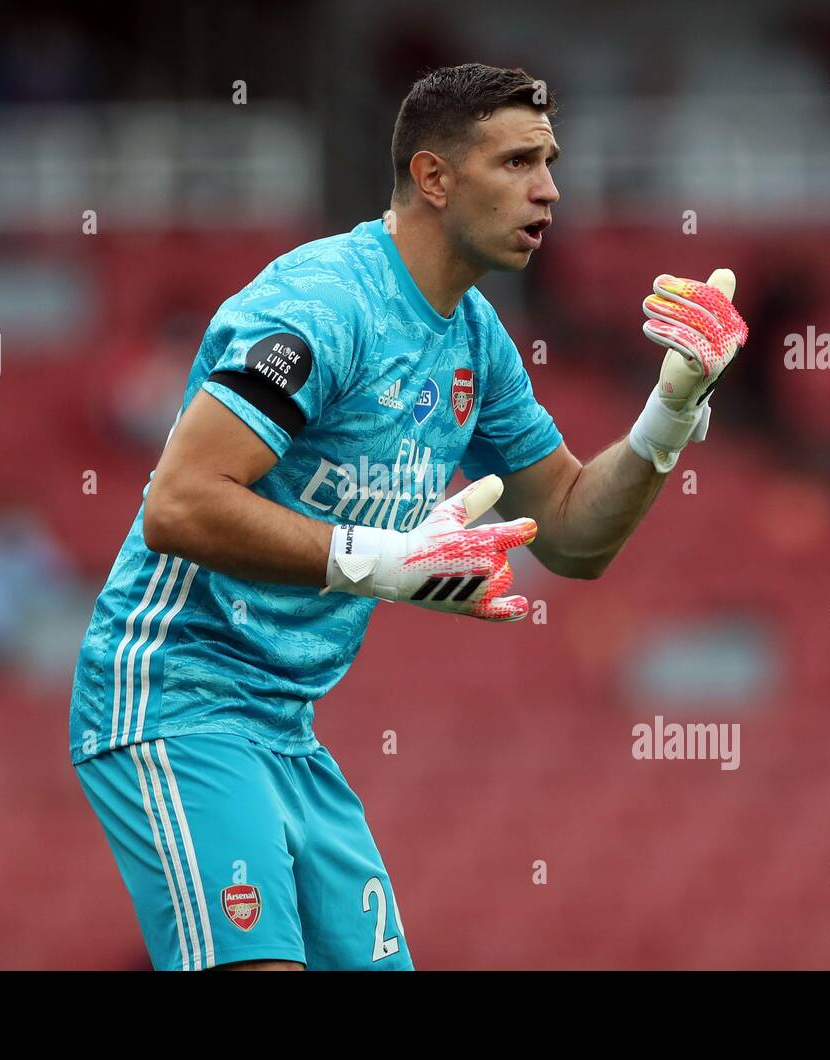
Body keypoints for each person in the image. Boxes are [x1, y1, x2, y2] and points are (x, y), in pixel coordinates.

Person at [70, 62, 747, 971]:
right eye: (516, 163)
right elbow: (180, 504)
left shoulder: (473, 338)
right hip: (175, 695)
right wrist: (386, 562)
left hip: (287, 729)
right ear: (434, 178)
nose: (549, 189)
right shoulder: (320, 306)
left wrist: (671, 411)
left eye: (548, 163)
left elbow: (578, 535)